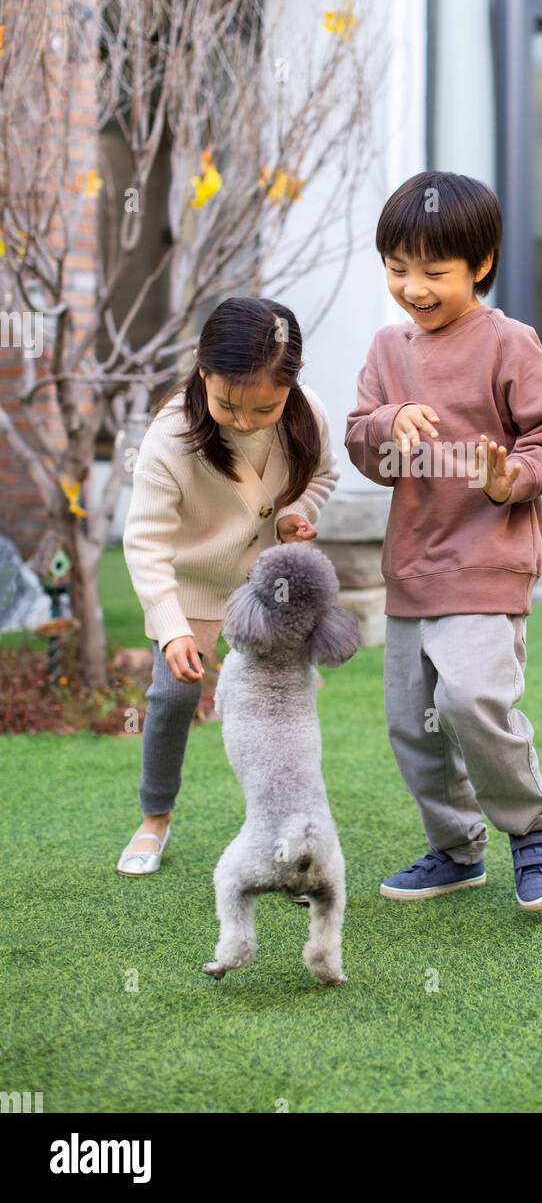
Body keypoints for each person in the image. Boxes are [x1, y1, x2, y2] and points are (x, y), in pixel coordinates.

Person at [344, 170, 542, 911]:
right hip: (413, 565)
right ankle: (455, 850)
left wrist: (511, 479)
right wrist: (389, 424)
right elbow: (360, 441)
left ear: (480, 265)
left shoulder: (511, 343)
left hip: (488, 559)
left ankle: (530, 830)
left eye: (432, 272)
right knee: (412, 725)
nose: (412, 286)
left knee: (474, 699)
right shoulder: (388, 351)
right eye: (396, 268)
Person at [117, 296, 339, 875]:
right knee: (173, 697)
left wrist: (296, 513)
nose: (244, 420)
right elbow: (144, 542)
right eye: (229, 405)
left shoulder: (306, 413)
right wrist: (170, 631)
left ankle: (291, 826)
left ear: (291, 384)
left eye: (264, 407)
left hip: (269, 589)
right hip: (191, 585)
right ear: (201, 367)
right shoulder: (171, 436)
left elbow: (322, 475)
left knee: (283, 702)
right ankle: (154, 818)